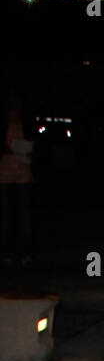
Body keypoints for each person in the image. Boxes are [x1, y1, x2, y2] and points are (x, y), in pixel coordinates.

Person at [0, 86, 34, 268]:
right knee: (6, 215)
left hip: (23, 170)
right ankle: (6, 252)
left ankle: (24, 253)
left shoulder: (25, 120)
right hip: (4, 171)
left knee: (23, 215)